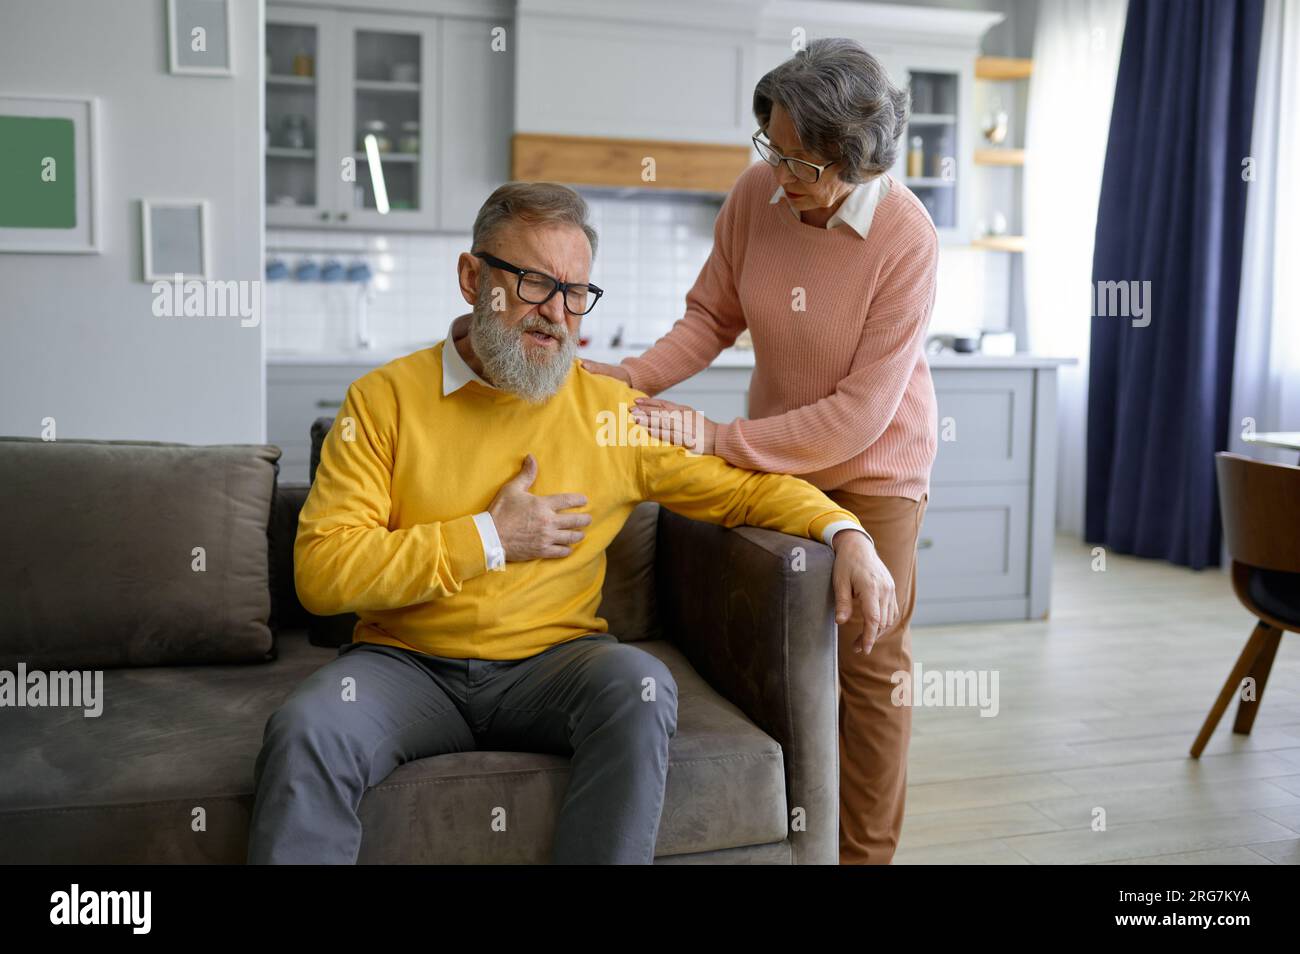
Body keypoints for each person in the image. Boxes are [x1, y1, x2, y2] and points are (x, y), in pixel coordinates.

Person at [247, 180, 894, 865]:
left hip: (553, 666)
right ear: (473, 278)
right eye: (532, 283)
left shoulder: (608, 411)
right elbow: (322, 574)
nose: (556, 314)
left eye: (575, 292)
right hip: (405, 664)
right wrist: (490, 538)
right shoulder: (382, 402)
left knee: (639, 689)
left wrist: (844, 532)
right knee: (307, 728)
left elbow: (743, 492)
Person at [582, 38, 939, 864]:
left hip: (876, 470)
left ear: (855, 158)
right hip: (779, 460)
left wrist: (720, 440)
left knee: (870, 665)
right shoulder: (757, 194)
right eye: (771, 147)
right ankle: (788, 833)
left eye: (801, 161)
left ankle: (863, 856)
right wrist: (631, 379)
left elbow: (855, 417)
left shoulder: (906, 239)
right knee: (778, 646)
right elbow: (713, 315)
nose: (781, 171)